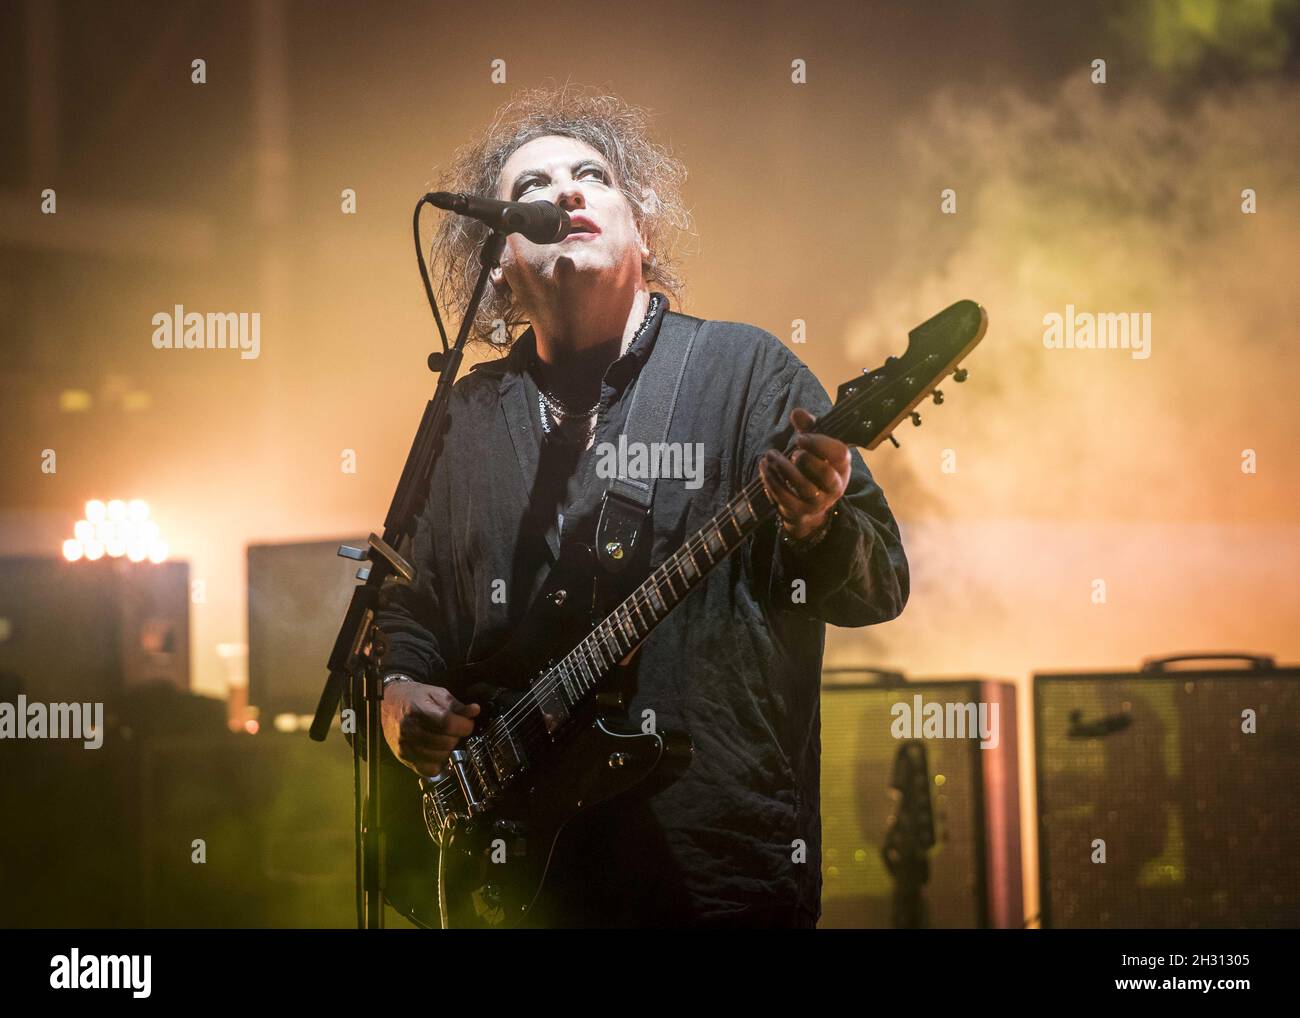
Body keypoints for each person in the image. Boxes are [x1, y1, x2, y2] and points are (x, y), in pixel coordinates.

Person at [374, 85, 909, 928]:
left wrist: (817, 523)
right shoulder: (466, 416)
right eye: (534, 188)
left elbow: (880, 586)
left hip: (711, 871)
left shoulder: (745, 374)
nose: (567, 192)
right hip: (518, 888)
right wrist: (399, 688)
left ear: (644, 232)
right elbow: (409, 602)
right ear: (500, 259)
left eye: (592, 174)